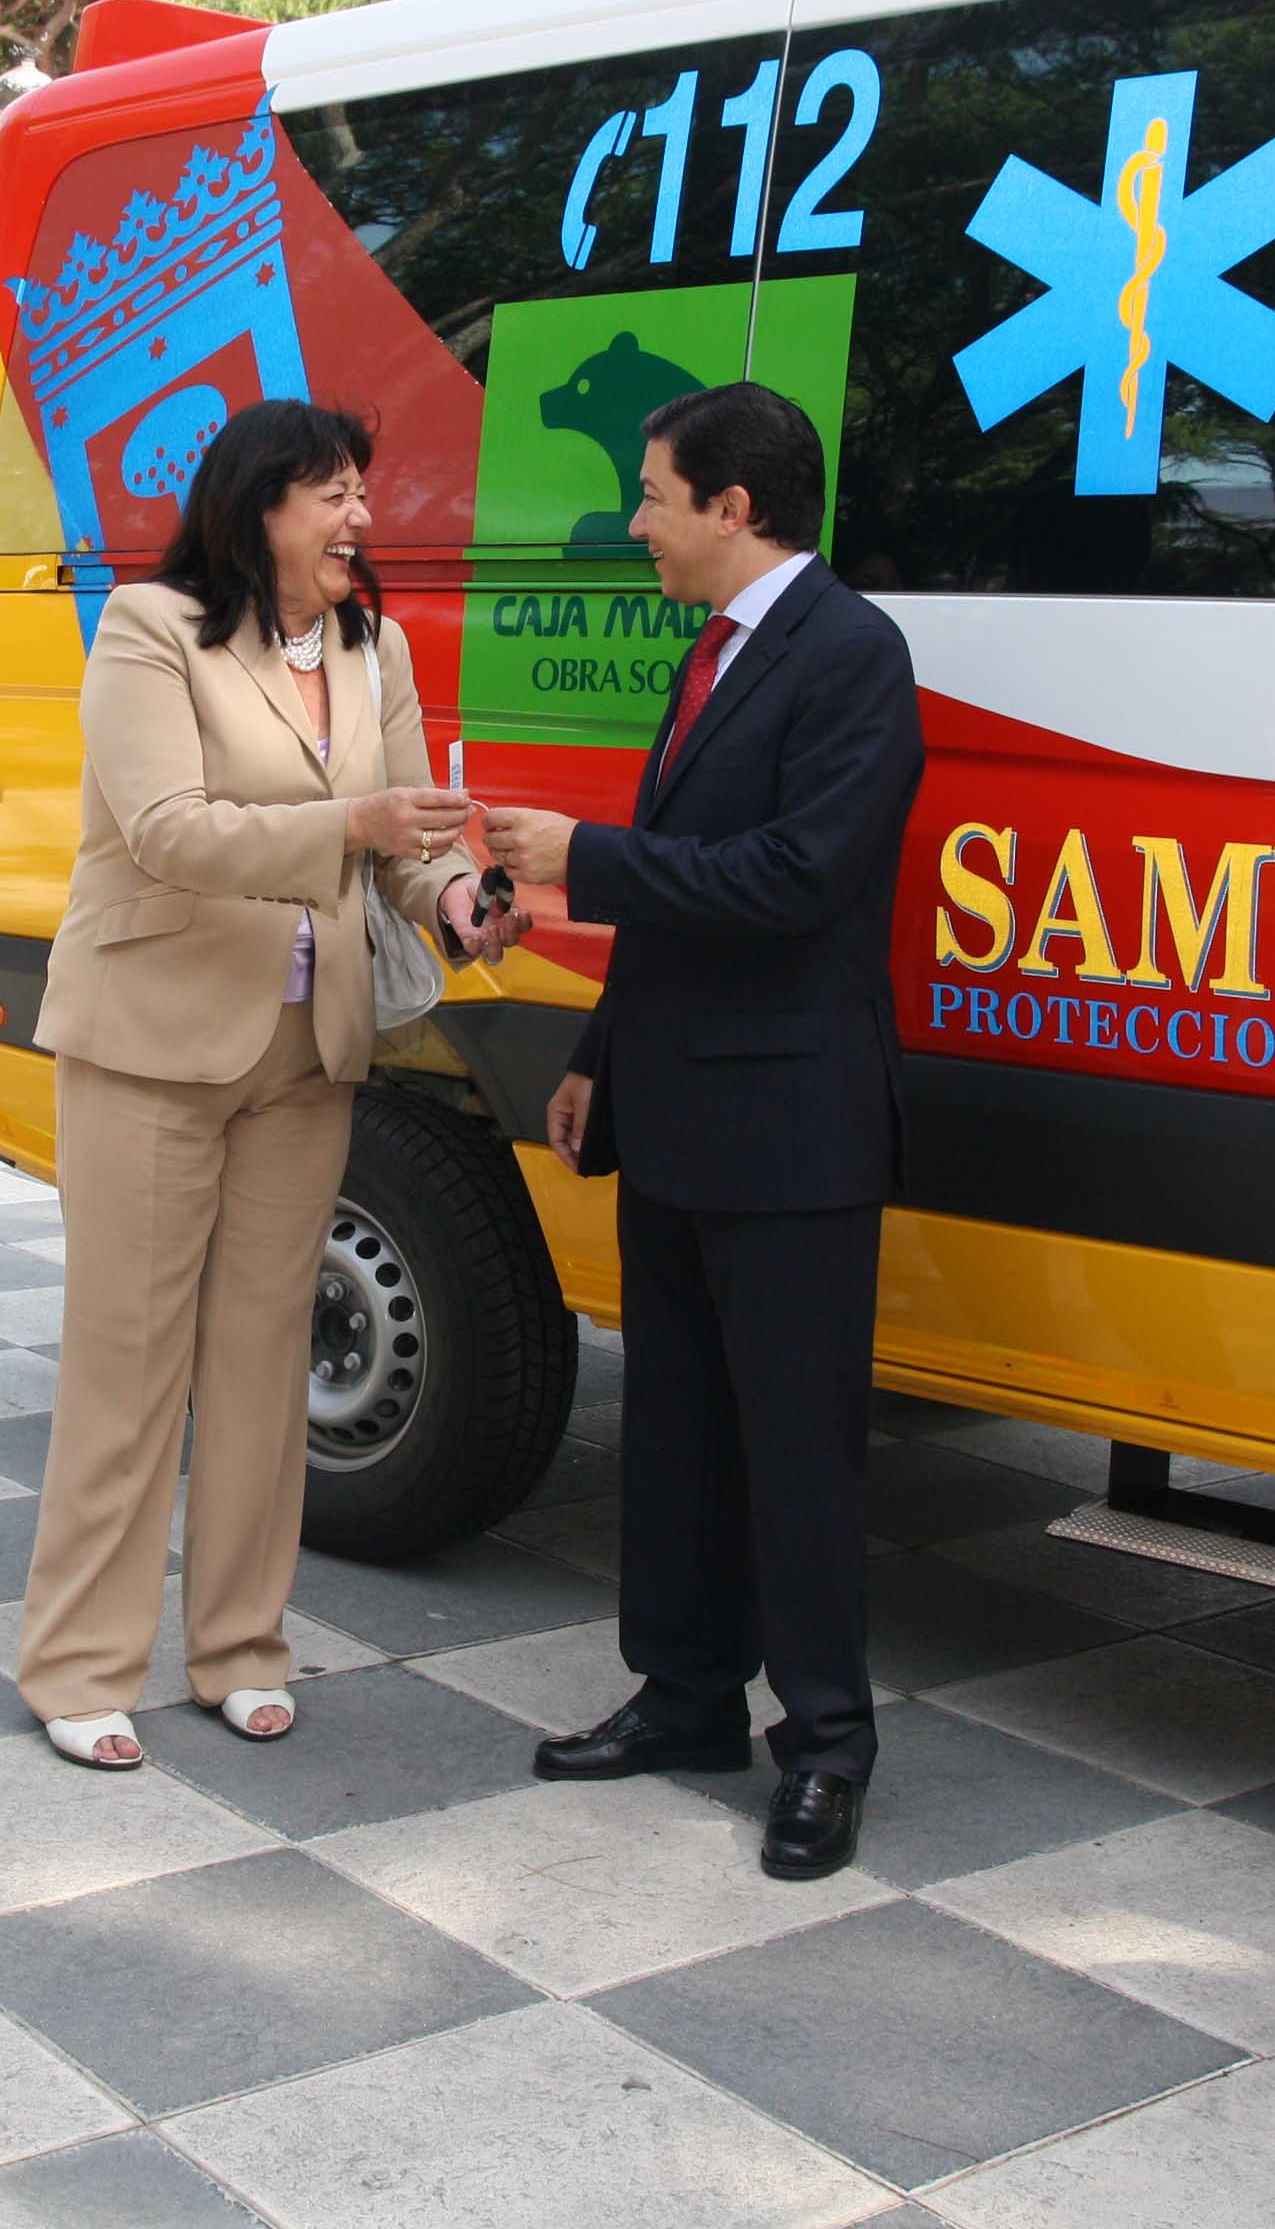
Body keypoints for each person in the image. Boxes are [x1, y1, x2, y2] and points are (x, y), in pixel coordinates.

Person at [18, 399, 525, 1770]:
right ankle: (80, 1663)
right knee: (128, 1360)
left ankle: (240, 1648)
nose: (361, 518)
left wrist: (459, 893)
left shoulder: (380, 647)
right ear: (257, 507)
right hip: (153, 1038)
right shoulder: (149, 629)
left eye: (363, 492)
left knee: (260, 1360)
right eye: (333, 494)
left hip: (311, 1049)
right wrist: (346, 828)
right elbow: (169, 831)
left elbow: (406, 838)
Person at [483, 380, 923, 1881]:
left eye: (657, 494)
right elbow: (687, 879)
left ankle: (826, 1749)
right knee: (676, 1434)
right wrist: (600, 1051)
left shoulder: (851, 653)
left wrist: (581, 861)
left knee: (794, 1452)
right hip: (674, 1107)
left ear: (736, 507)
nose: (637, 521)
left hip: (791, 1125)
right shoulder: (714, 654)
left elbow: (797, 878)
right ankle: (683, 1699)